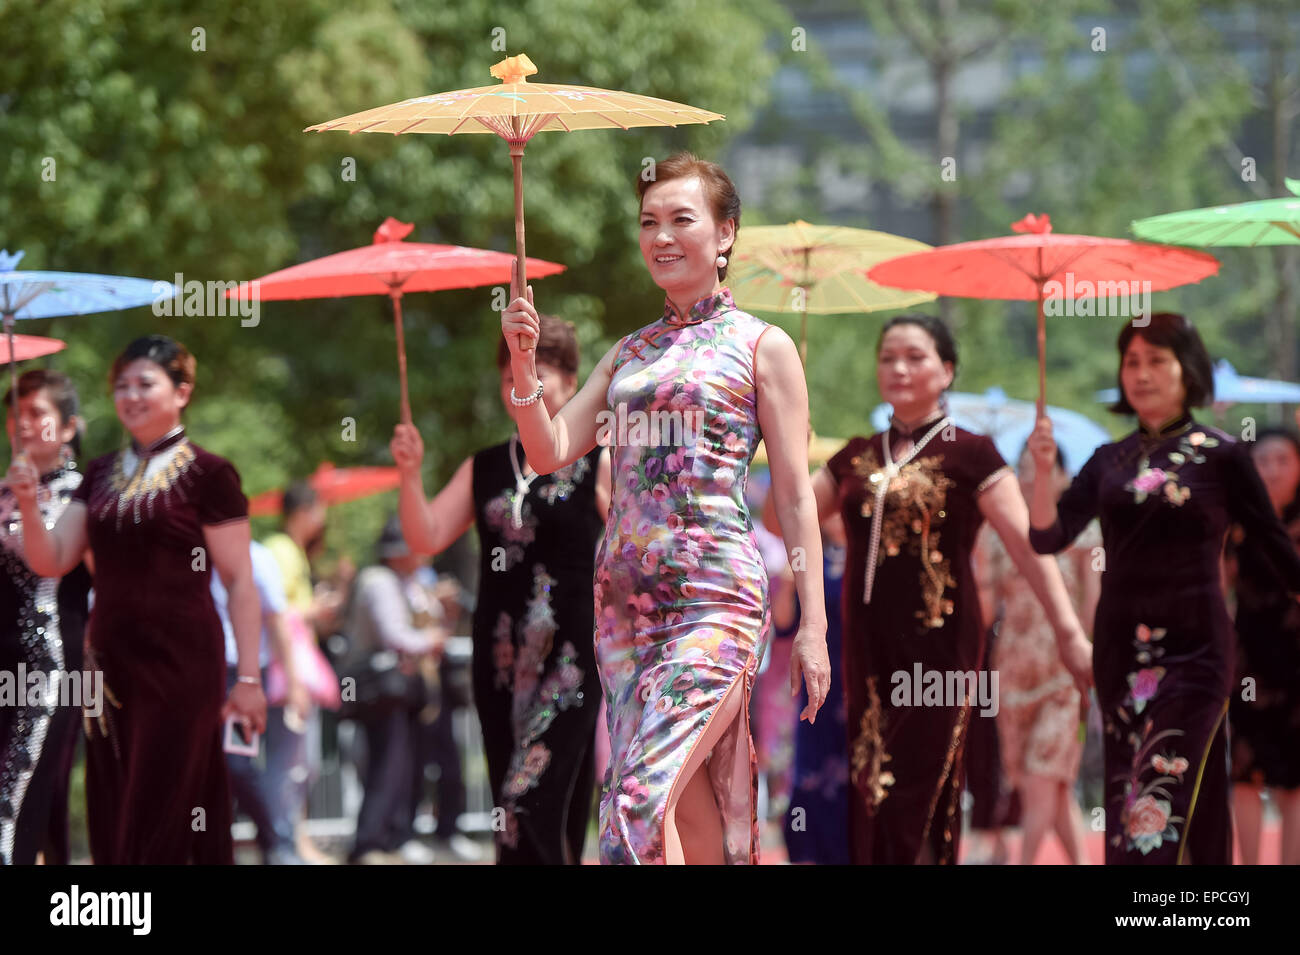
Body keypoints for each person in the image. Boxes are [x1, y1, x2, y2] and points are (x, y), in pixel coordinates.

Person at [501, 151, 831, 865]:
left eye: (683, 219)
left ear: (726, 235)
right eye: (649, 221)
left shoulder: (761, 346)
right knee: (684, 804)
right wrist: (525, 372)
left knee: (635, 798)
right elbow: (553, 448)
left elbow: (797, 494)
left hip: (715, 599)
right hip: (624, 609)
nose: (662, 235)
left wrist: (814, 625)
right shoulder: (628, 354)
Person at [806, 314, 1091, 865]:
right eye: (888, 357)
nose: (898, 368)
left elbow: (1029, 545)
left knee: (920, 785)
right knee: (872, 784)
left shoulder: (973, 452)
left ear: (947, 369)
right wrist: (798, 453)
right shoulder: (857, 455)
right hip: (866, 650)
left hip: (938, 653)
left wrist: (1070, 633)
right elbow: (781, 518)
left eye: (915, 356)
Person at [1028, 313, 1300, 865]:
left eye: (1157, 360)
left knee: (1158, 784)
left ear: (1187, 369)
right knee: (1141, 781)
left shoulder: (1223, 455)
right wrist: (1038, 471)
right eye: (1132, 361)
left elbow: (1275, 548)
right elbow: (1046, 536)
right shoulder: (1107, 460)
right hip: (1119, 649)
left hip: (1197, 651)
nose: (1142, 373)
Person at [10, 335, 265, 863]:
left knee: (166, 796)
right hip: (107, 665)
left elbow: (240, 581)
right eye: (121, 386)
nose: (130, 396)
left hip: (182, 661)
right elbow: (52, 559)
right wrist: (29, 504)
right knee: (115, 798)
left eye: (145, 383)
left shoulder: (210, 475)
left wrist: (248, 681)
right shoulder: (99, 474)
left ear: (182, 391)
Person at [393, 312, 610, 864]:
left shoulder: (596, 460)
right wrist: (410, 473)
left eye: (532, 371)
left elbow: (634, 546)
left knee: (528, 797)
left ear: (567, 380)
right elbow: (425, 535)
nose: (518, 384)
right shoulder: (485, 466)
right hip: (499, 658)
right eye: (509, 372)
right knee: (529, 802)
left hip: (571, 657)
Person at [975, 441, 1100, 864]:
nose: (1030, 477)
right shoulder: (999, 531)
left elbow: (1093, 604)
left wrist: (1090, 661)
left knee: (1044, 774)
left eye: (1040, 468)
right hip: (1011, 670)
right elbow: (987, 606)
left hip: (1066, 672)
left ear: (1062, 476)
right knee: (1044, 781)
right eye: (1023, 468)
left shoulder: (1083, 529)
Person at [0, 370, 91, 865]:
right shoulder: (1, 494)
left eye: (37, 414)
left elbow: (49, 564)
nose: (23, 424)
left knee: (14, 795)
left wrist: (31, 502)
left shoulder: (83, 494)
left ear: (69, 426)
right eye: (15, 416)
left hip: (48, 668)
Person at [341, 517, 445, 864]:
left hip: (400, 692)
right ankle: (368, 842)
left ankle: (393, 836)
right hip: (379, 690)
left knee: (402, 765)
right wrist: (429, 641)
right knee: (386, 765)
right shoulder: (380, 582)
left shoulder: (404, 583)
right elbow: (395, 636)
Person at [1226, 427, 1300, 865]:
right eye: (1262, 460)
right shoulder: (1237, 524)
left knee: (1294, 778)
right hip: (1249, 661)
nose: (1272, 470)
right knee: (1245, 773)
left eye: (1282, 460)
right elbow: (1218, 587)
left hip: (1297, 664)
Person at [212, 539, 309, 864]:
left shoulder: (258, 557)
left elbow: (277, 619)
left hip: (243, 677)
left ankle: (275, 842)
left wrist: (294, 683)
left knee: (237, 763)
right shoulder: (189, 552)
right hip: (200, 679)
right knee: (206, 770)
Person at [780, 513, 850, 865]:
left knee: (852, 779)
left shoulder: (871, 555)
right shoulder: (809, 560)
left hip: (855, 689)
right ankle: (806, 855)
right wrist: (787, 582)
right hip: (816, 688)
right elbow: (782, 624)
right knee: (809, 776)